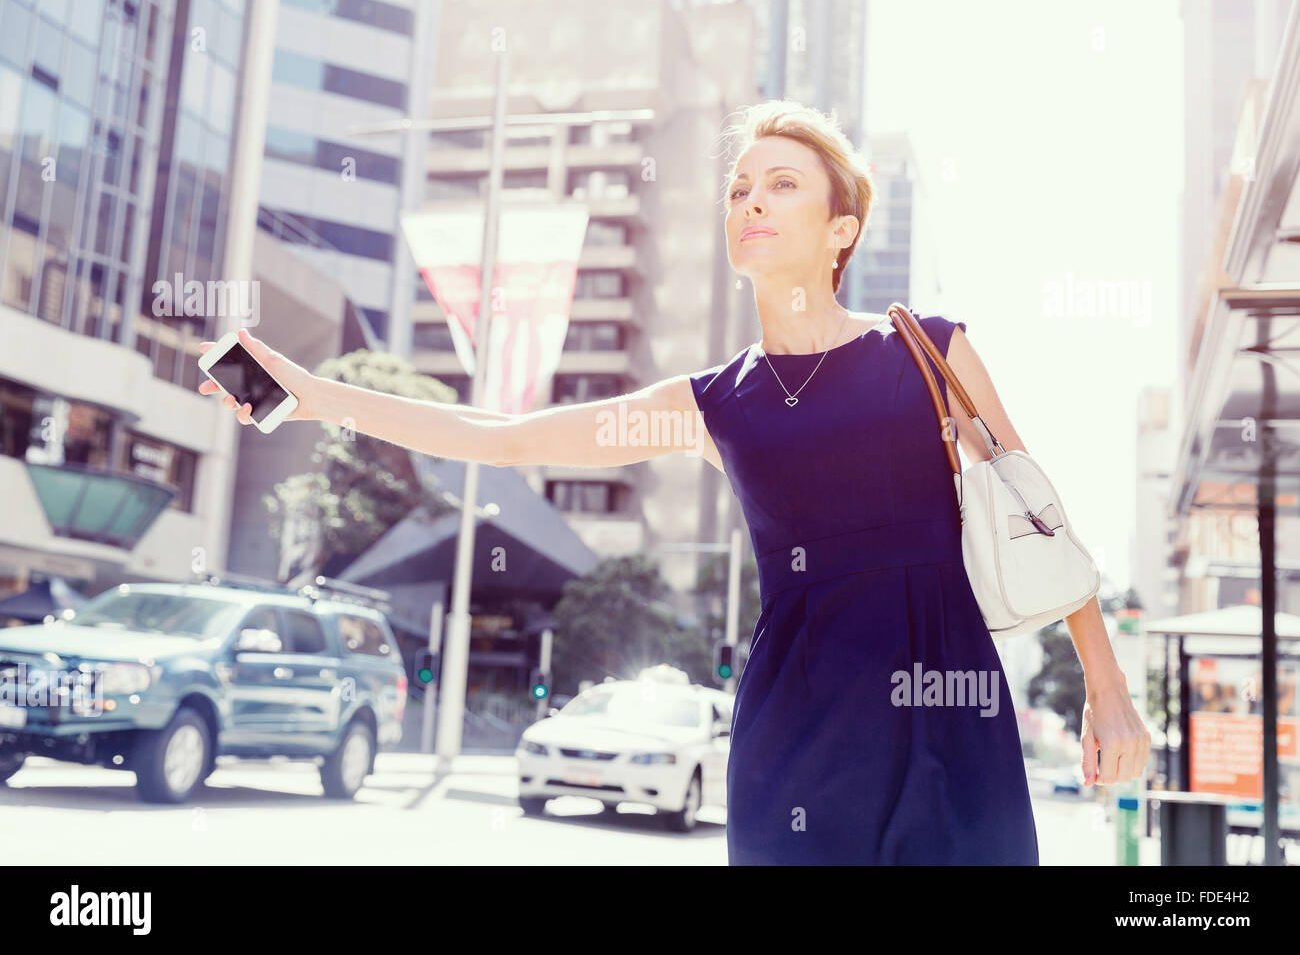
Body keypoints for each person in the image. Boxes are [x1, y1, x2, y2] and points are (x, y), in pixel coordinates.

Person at [198, 100, 1150, 864]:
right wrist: (320, 397)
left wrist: (1105, 687)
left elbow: (1039, 517)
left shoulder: (929, 354)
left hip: (948, 702)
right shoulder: (710, 404)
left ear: (840, 231)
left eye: (782, 185)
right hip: (799, 725)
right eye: (740, 189)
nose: (752, 202)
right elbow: (508, 437)